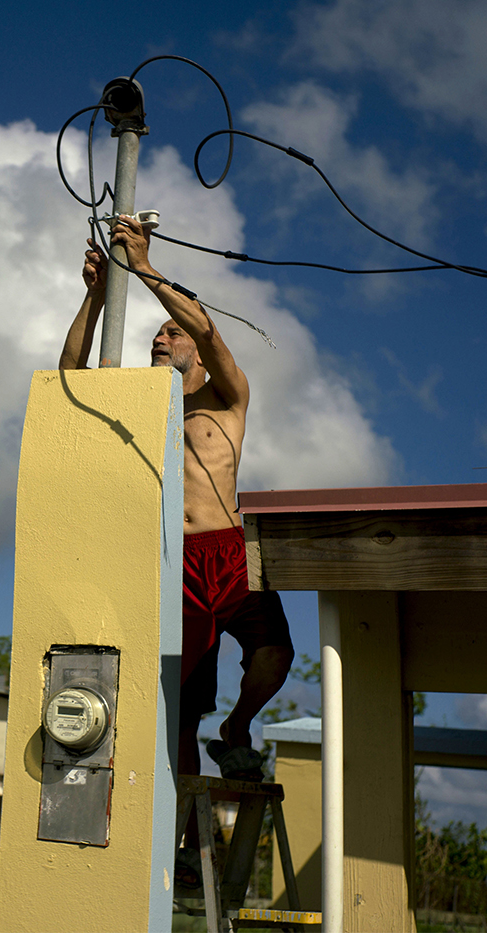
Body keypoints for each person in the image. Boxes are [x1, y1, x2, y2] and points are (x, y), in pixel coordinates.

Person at [59, 216, 294, 883]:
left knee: (276, 654)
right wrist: (98, 296)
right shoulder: (139, 405)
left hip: (232, 550)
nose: (162, 336)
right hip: (175, 562)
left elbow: (212, 332)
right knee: (178, 704)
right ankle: (182, 839)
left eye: (172, 330)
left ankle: (240, 729)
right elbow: (68, 377)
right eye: (156, 332)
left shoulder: (227, 398)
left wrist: (146, 267)